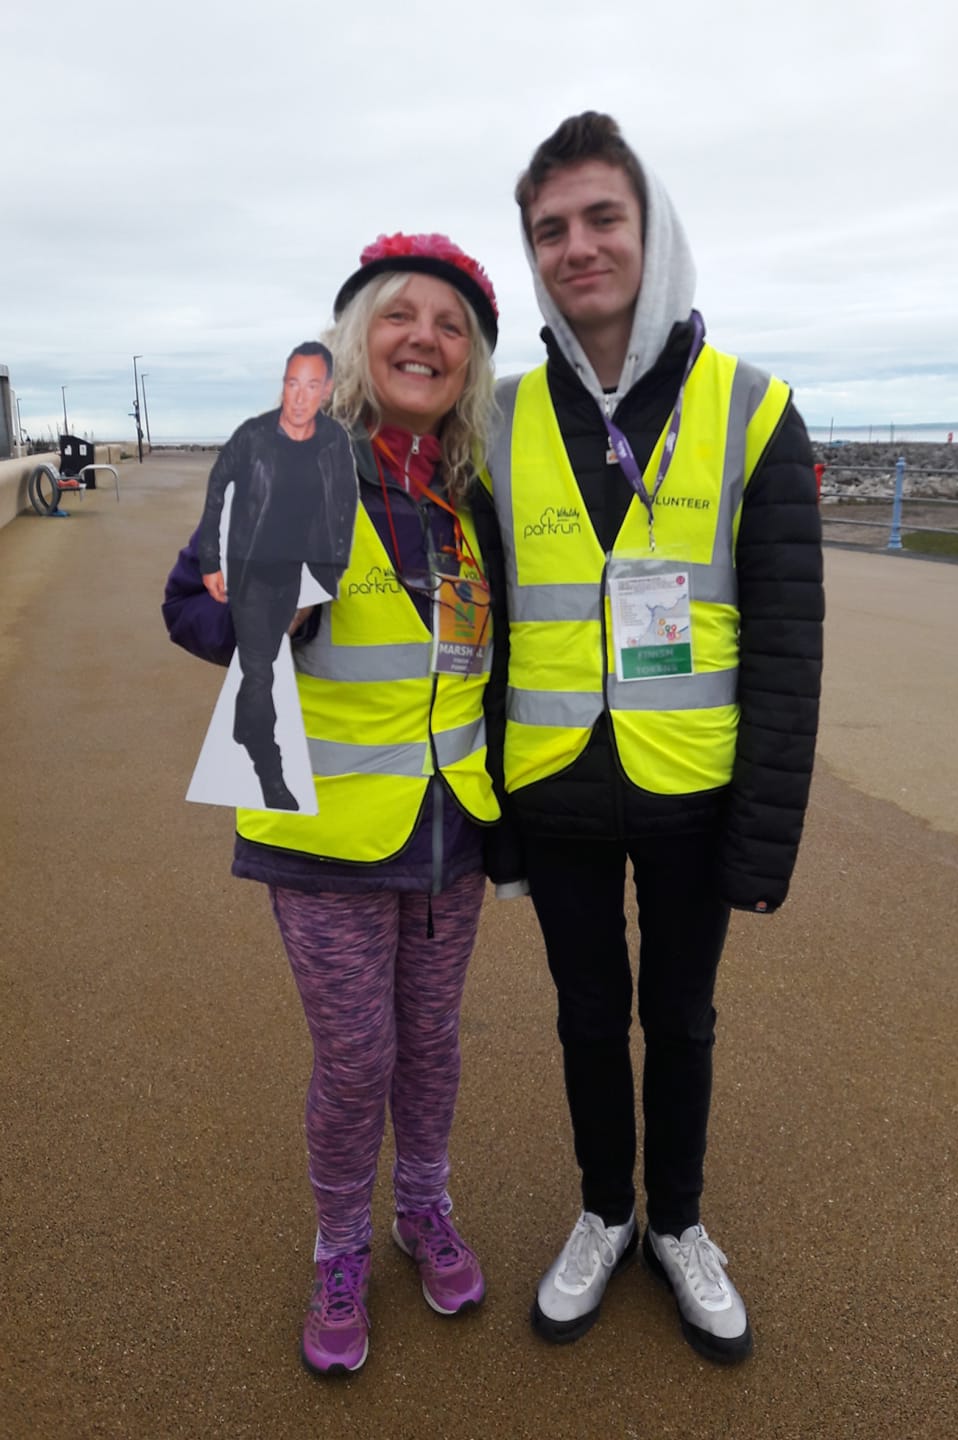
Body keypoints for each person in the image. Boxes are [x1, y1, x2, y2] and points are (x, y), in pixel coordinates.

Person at [482, 113, 824, 1363]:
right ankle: (601, 1210)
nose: (577, 248)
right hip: (555, 788)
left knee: (680, 1018)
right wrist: (493, 827)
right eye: (550, 230)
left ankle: (675, 1222)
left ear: (651, 226)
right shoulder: (499, 415)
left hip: (696, 791)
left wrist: (761, 839)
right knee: (585, 1017)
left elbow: (790, 649)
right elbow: (480, 632)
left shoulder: (752, 408)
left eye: (600, 218)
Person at [163, 233, 506, 1376]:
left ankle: (423, 1210)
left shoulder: (468, 500)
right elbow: (193, 610)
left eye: (452, 325)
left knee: (433, 1046)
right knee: (357, 1058)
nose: (426, 338)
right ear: (357, 340)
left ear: (472, 362)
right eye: (401, 316)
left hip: (450, 831)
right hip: (323, 835)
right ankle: (338, 1246)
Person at [197, 342, 359, 810]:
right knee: (260, 671)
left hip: (299, 574)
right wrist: (211, 561)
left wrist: (328, 579)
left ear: (325, 390)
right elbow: (215, 490)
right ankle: (270, 774)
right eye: (292, 383)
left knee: (265, 669)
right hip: (250, 572)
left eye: (311, 385)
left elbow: (343, 508)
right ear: (283, 385)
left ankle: (246, 724)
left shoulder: (334, 440)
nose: (299, 396)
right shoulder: (252, 435)